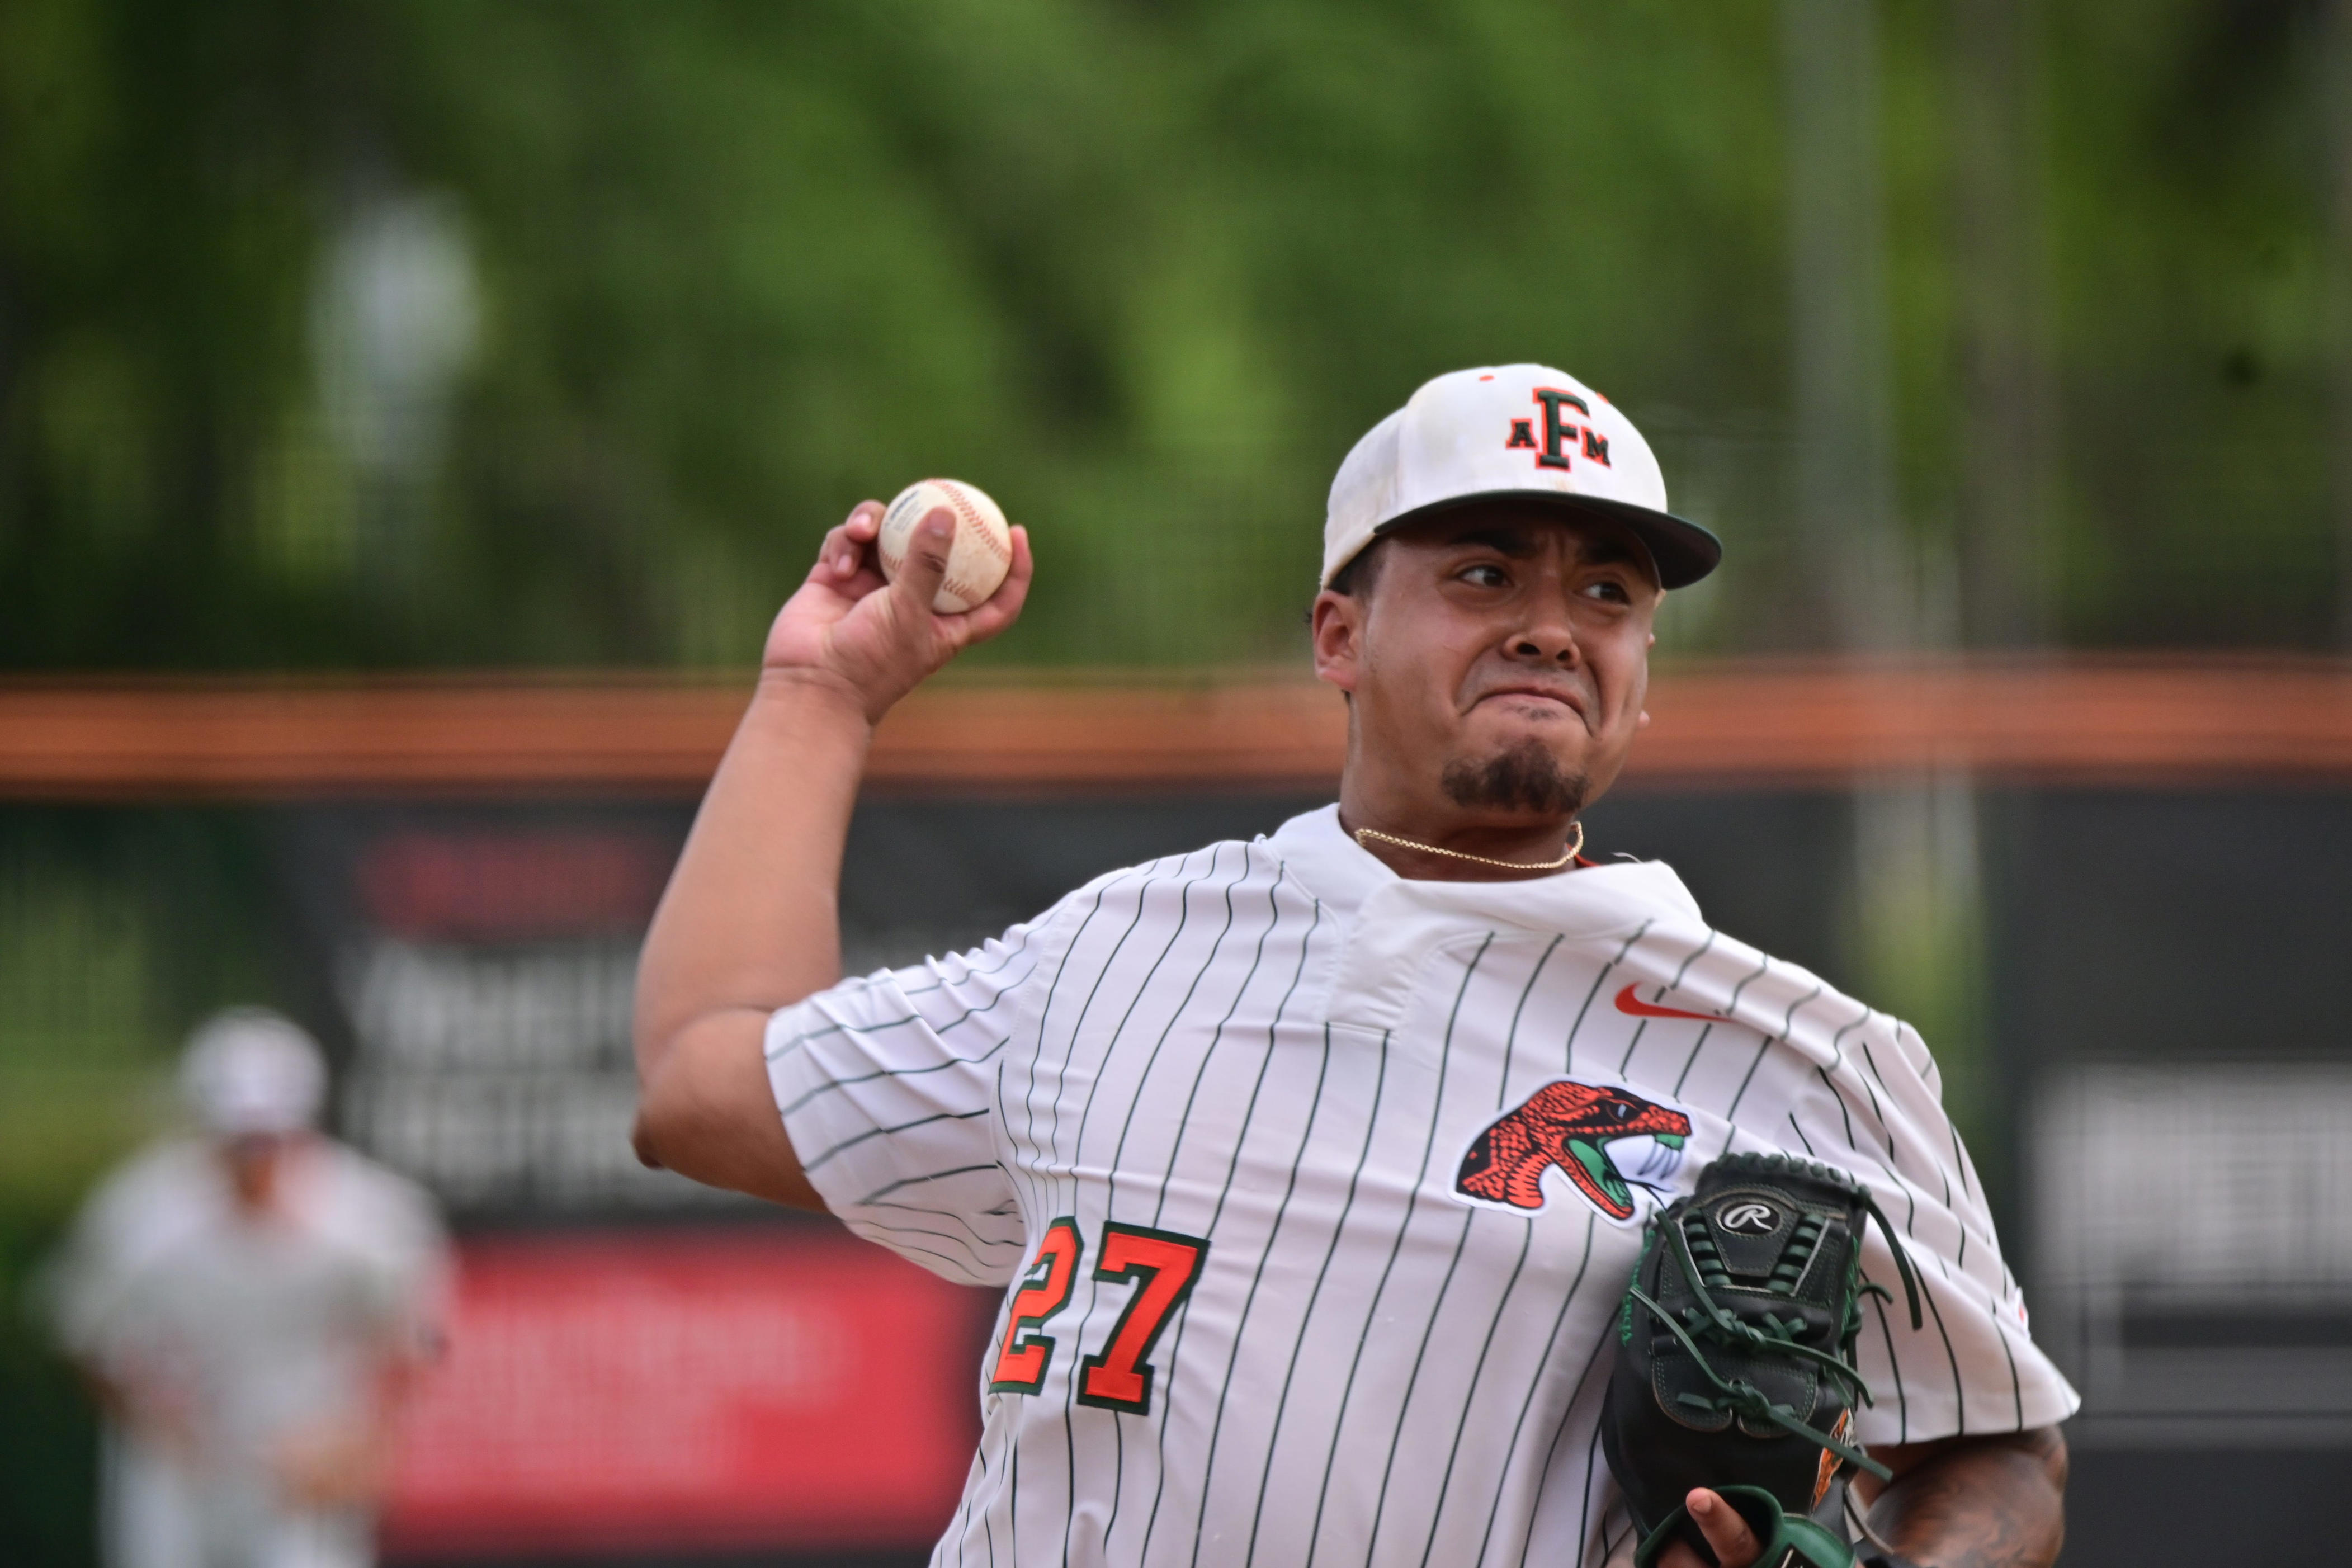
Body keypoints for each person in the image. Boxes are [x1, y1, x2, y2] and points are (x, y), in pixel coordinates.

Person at [631, 364, 2076, 1568]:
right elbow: (700, 1077)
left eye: (1608, 592)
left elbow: (2000, 1444)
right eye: (1481, 569)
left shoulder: (1804, 1051)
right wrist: (819, 692)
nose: (1548, 622)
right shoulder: (1107, 950)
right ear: (1337, 630)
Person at [47, 1009, 451, 1568]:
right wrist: (145, 1419)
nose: (255, 1162)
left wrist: (362, 1440)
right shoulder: (140, 1219)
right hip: (178, 1471)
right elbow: (81, 1330)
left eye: (269, 1140)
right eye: (240, 1140)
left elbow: (423, 1337)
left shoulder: (372, 1223)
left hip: (299, 1461)